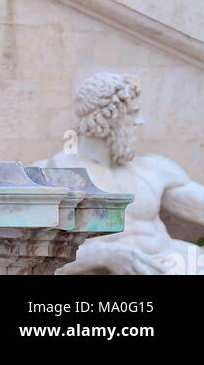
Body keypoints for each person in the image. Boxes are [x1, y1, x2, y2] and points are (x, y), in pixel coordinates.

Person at [40, 71, 204, 275]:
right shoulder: (53, 174)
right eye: (133, 113)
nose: (140, 121)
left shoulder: (154, 169)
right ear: (108, 118)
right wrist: (102, 255)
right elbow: (32, 256)